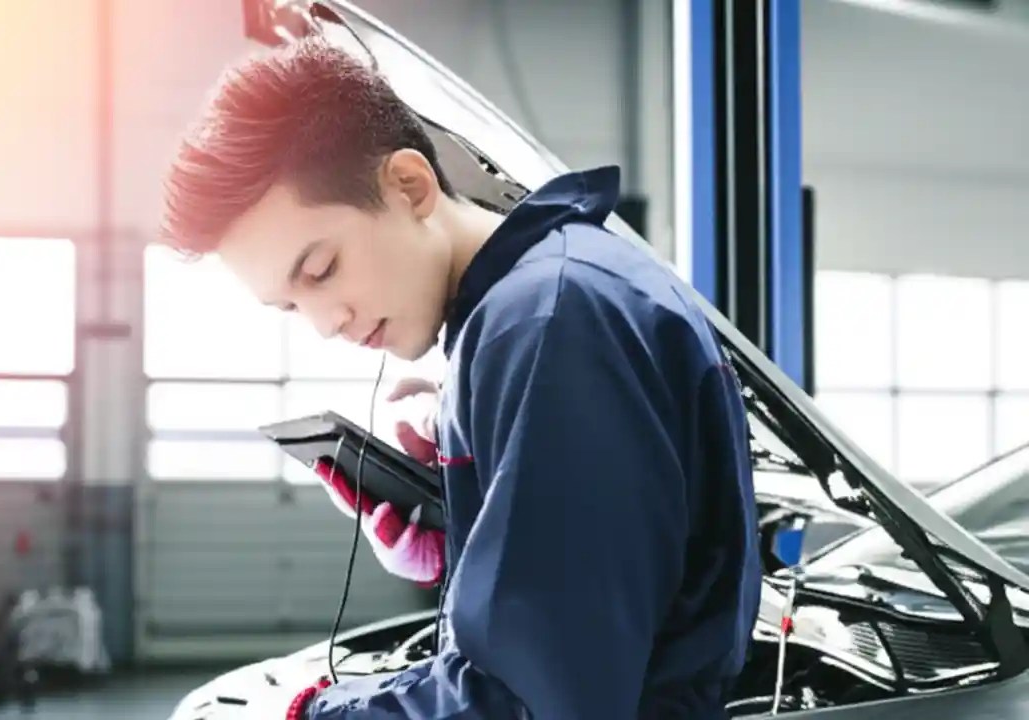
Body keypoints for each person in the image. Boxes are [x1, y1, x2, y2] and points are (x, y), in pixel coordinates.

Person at [161, 36, 761, 720]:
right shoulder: (552, 292)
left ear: (410, 186)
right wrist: (463, 537)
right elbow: (616, 574)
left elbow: (539, 698)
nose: (325, 322)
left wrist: (311, 713)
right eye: (291, 305)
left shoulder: (547, 322)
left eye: (321, 270)